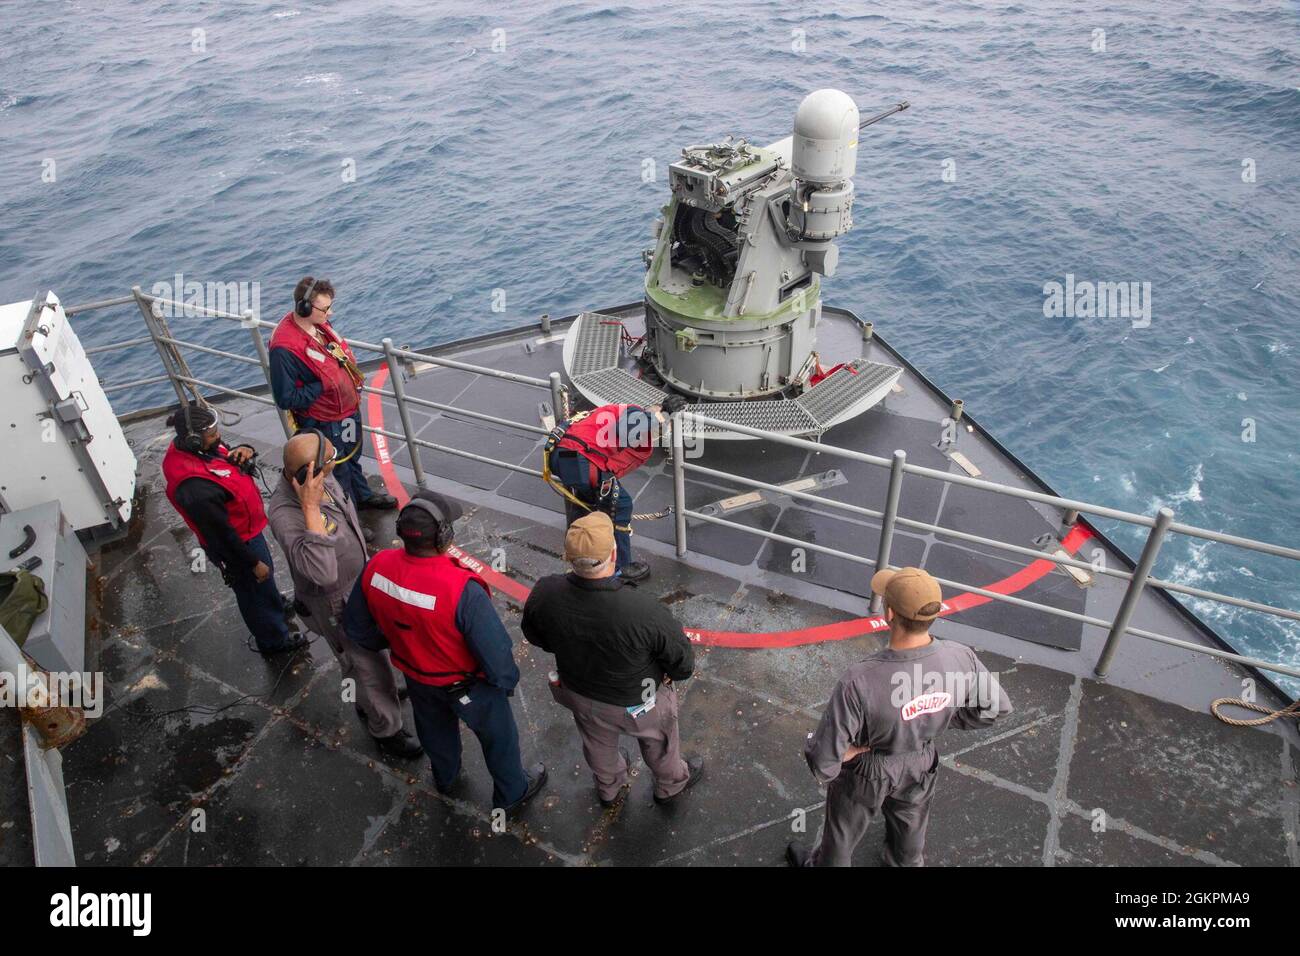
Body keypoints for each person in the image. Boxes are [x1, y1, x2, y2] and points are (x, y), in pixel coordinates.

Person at [787, 567, 1013, 867]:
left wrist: (847, 753)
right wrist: (942, 717)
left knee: (840, 837)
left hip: (867, 770)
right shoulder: (961, 657)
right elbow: (997, 707)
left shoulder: (859, 680)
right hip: (921, 760)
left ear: (890, 613)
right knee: (910, 830)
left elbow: (824, 762)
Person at [342, 491, 547, 811]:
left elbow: (357, 628)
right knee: (500, 740)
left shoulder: (378, 566)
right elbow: (495, 652)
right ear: (444, 535)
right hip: (469, 687)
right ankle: (512, 793)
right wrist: (505, 682)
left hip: (418, 679)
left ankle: (446, 777)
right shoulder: (462, 588)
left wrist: (398, 641)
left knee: (434, 732)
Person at [522, 511, 703, 807]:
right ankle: (669, 785)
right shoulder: (642, 609)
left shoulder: (546, 592)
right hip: (639, 699)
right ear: (614, 553)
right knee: (659, 742)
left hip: (580, 693)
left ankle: (609, 788)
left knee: (597, 744)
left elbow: (534, 634)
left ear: (568, 557)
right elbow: (682, 663)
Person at [266, 430, 423, 759]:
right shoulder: (287, 515)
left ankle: (381, 694)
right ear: (308, 474)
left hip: (358, 586)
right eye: (330, 461)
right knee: (362, 665)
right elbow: (322, 574)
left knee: (375, 659)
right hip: (336, 601)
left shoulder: (320, 480)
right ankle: (386, 728)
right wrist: (311, 509)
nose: (335, 463)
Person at [161, 401, 307, 656]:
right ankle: (273, 641)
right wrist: (252, 563)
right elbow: (221, 536)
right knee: (253, 589)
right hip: (238, 545)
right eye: (212, 435)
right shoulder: (195, 488)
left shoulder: (201, 448)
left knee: (262, 583)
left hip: (247, 532)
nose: (218, 438)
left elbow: (225, 451)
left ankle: (273, 604)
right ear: (195, 439)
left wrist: (245, 450)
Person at [268, 275, 398, 511]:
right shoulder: (284, 348)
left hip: (347, 412)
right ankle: (348, 515)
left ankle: (362, 496)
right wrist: (323, 385)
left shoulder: (320, 327)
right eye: (326, 309)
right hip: (324, 421)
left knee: (351, 457)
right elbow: (285, 398)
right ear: (305, 307)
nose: (330, 314)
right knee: (336, 468)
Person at [543, 394, 688, 583]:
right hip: (580, 460)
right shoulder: (636, 414)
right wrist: (664, 414)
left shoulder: (617, 415)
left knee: (589, 505)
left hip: (567, 456)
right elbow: (627, 429)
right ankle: (621, 567)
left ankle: (580, 554)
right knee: (621, 506)